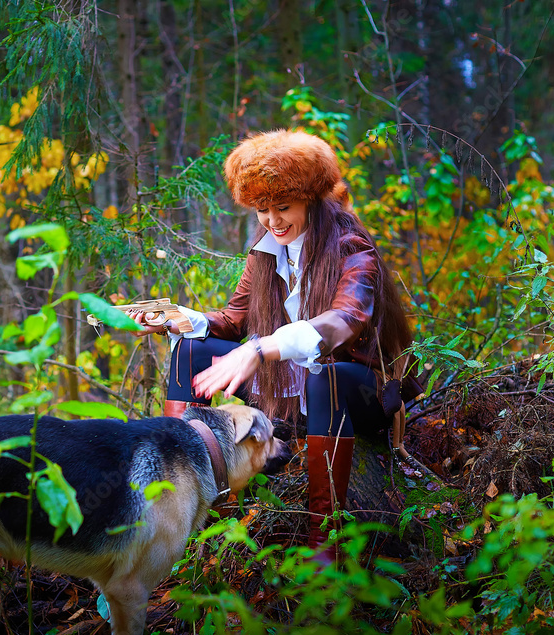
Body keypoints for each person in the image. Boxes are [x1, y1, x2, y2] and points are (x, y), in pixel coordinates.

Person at [130, 129, 416, 557]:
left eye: (283, 207)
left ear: (312, 200)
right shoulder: (266, 251)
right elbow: (230, 322)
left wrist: (259, 349)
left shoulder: (352, 247)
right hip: (287, 394)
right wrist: (171, 317)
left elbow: (345, 321)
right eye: (262, 209)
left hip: (357, 394)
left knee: (327, 378)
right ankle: (189, 509)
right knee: (191, 350)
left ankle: (326, 540)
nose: (273, 220)